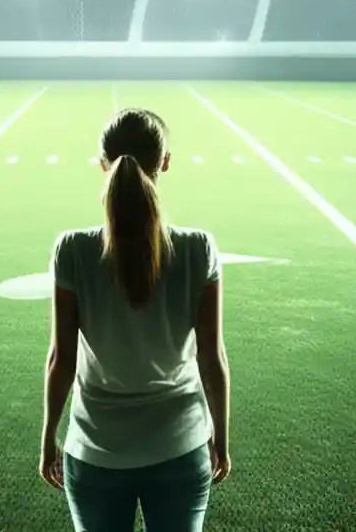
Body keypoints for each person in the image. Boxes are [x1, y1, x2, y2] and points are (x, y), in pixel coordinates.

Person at [39, 108, 231, 532]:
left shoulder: (72, 250)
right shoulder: (199, 249)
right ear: (164, 162)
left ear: (103, 164)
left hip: (95, 451)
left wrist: (49, 436)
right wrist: (221, 436)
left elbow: (61, 360)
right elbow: (212, 356)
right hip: (180, 446)